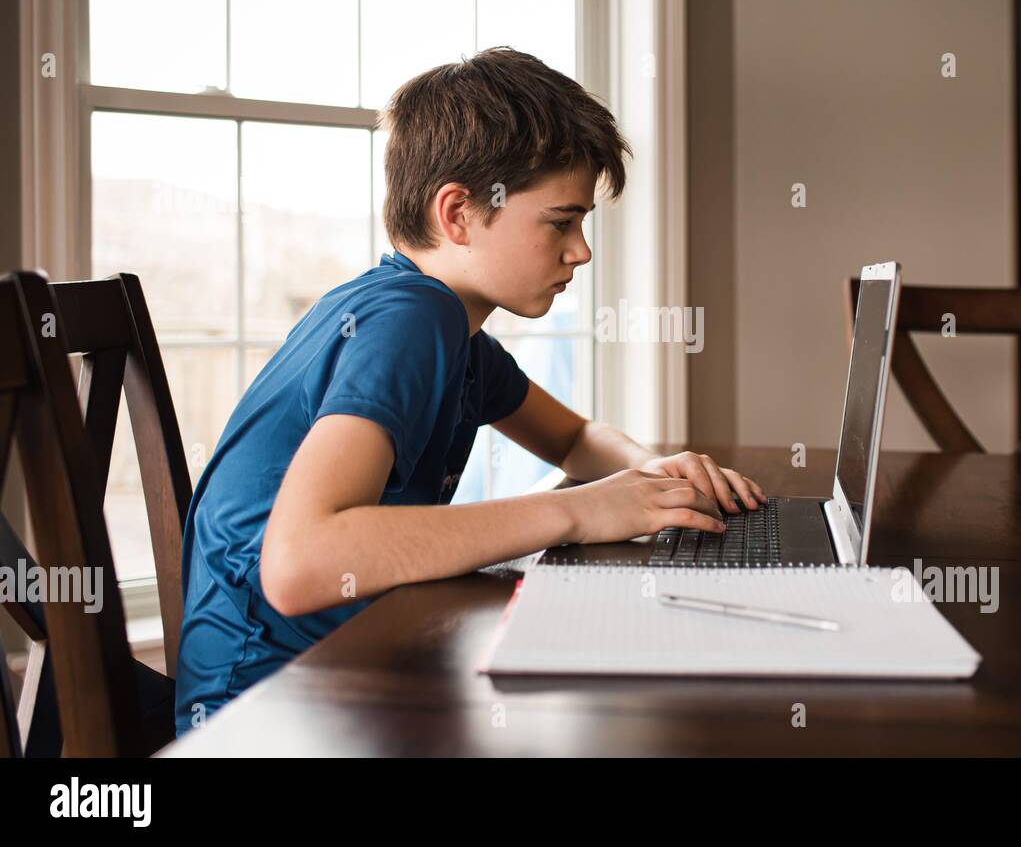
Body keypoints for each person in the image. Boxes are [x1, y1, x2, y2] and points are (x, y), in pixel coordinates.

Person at [174, 47, 766, 735]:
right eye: (559, 222)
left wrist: (647, 473)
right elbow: (300, 562)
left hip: (339, 666)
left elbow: (572, 437)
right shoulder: (407, 321)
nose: (581, 251)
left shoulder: (454, 337)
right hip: (261, 708)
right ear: (457, 213)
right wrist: (578, 512)